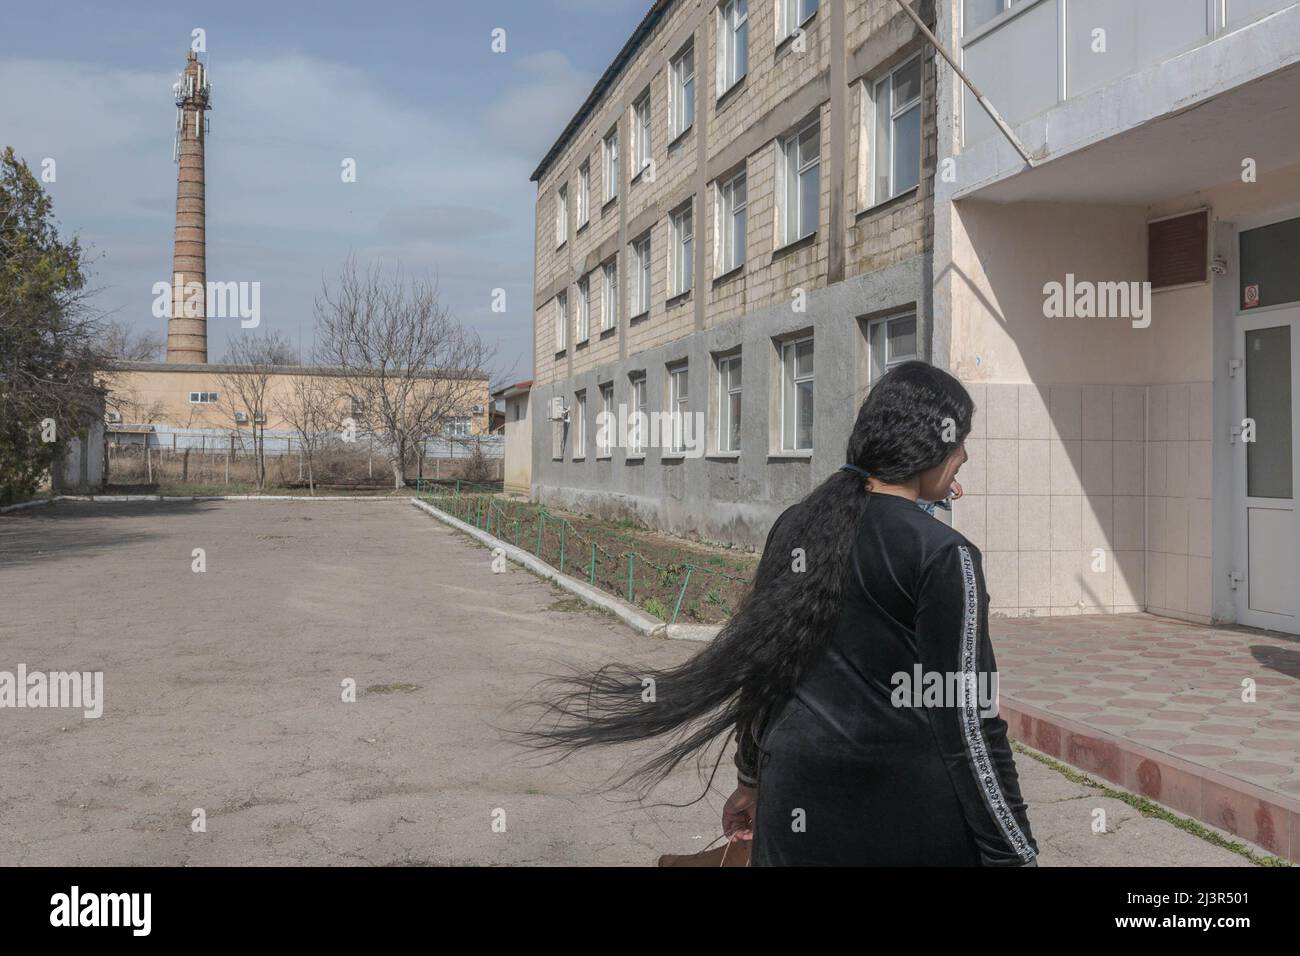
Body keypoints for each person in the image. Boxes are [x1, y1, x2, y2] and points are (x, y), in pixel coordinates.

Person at [521, 361, 1038, 866]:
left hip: (795, 796)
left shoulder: (798, 526)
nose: (964, 455)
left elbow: (764, 667)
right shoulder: (945, 554)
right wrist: (1013, 852)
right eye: (960, 442)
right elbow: (966, 721)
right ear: (934, 447)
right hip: (899, 810)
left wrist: (750, 778)